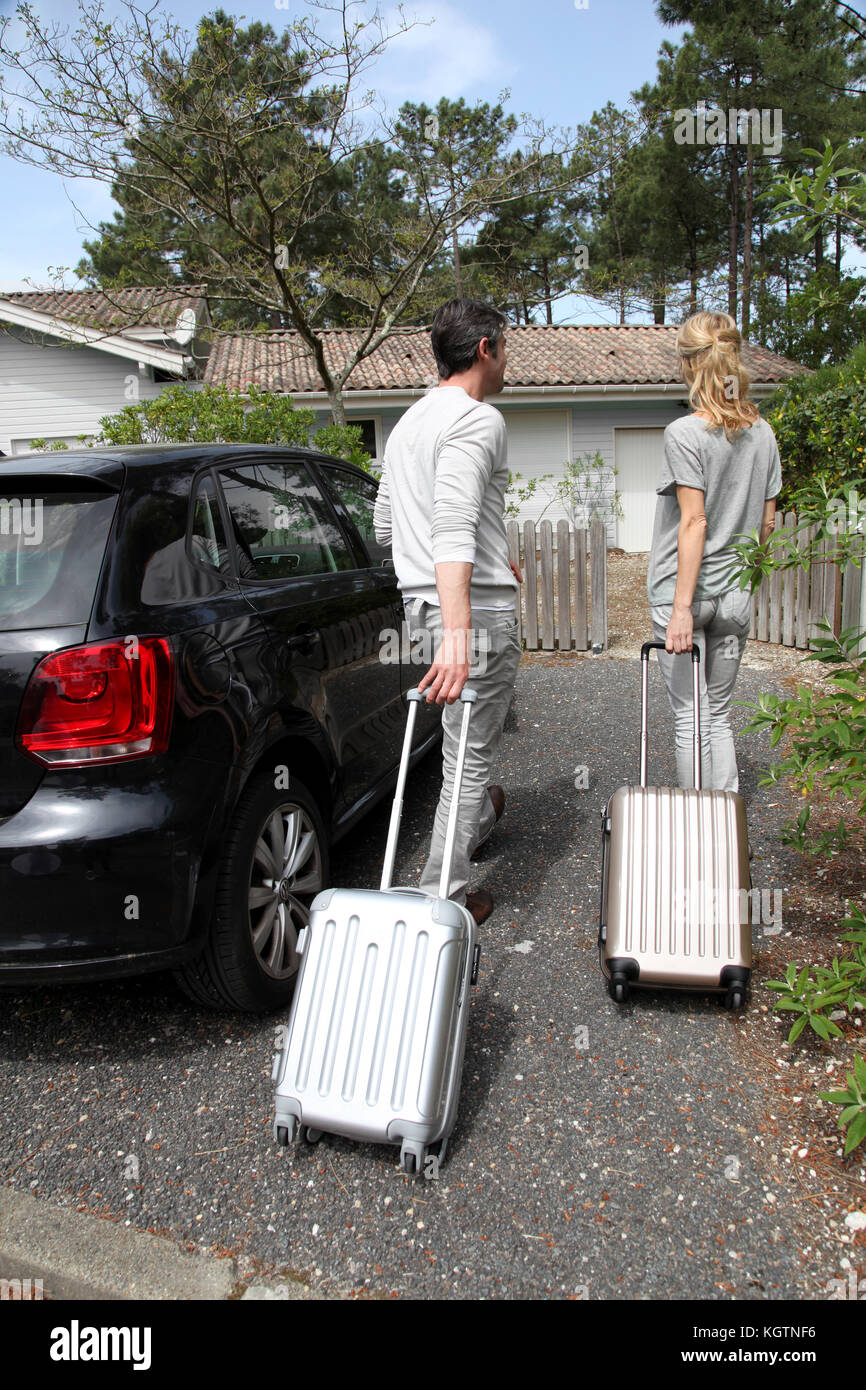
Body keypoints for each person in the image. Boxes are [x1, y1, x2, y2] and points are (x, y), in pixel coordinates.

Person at [373, 298, 522, 924]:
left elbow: (385, 527)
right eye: (505, 347)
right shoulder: (477, 418)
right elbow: (455, 528)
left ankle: (479, 818)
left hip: (422, 608)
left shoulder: (407, 423)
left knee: (464, 748)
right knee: (466, 760)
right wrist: (460, 635)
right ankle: (443, 900)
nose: (508, 359)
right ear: (484, 348)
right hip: (472, 615)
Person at [646, 311, 782, 793]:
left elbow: (694, 521)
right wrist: (746, 586)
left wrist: (682, 608)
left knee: (691, 716)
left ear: (687, 364)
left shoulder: (684, 433)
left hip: (684, 596)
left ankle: (694, 833)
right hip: (734, 596)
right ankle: (724, 829)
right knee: (718, 713)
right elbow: (767, 523)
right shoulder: (763, 433)